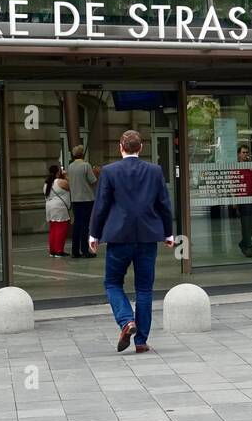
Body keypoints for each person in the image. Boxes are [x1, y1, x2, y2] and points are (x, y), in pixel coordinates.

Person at [89, 130, 174, 353]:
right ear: (141, 148)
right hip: (148, 236)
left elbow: (101, 205)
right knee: (144, 289)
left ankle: (126, 320)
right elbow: (164, 204)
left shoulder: (109, 171)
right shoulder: (155, 171)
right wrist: (168, 234)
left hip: (119, 237)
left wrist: (94, 234)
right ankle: (141, 341)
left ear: (121, 147)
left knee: (112, 282)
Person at [66, 144, 98, 259]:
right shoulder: (86, 165)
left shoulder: (70, 166)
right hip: (86, 199)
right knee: (85, 225)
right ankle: (85, 249)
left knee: (77, 224)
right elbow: (92, 181)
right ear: (82, 153)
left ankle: (75, 250)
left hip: (75, 199)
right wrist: (96, 173)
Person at [235, 144, 252, 258]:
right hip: (243, 200)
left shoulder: (251, 166)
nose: (245, 154)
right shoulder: (236, 167)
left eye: (247, 152)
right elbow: (233, 184)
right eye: (243, 152)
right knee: (246, 224)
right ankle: (248, 247)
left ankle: (243, 242)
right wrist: (234, 199)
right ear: (239, 154)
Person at [44, 164, 71, 257]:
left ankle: (52, 250)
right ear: (58, 172)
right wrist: (66, 176)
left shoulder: (47, 183)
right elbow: (71, 186)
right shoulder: (60, 182)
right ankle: (59, 250)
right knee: (61, 229)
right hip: (59, 208)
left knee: (53, 229)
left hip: (49, 207)